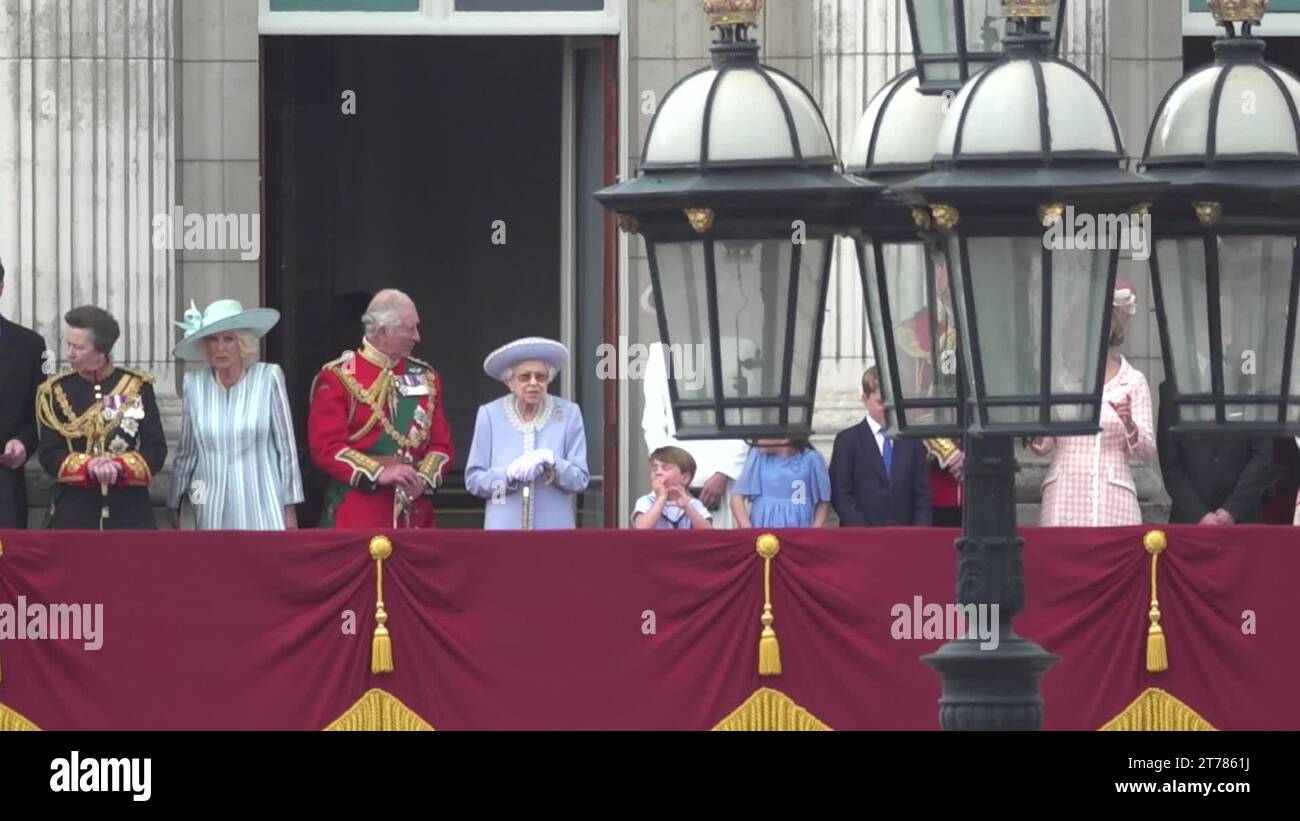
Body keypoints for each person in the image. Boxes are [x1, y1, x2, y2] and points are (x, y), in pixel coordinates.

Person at [307, 289, 454, 528]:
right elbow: (326, 447)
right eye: (410, 328)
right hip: (359, 510)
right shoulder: (339, 376)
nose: (417, 337)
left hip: (414, 513)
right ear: (383, 332)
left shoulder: (426, 376)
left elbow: (441, 445)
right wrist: (380, 473)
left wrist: (423, 480)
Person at [167, 299, 305, 530]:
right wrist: (174, 502)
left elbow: (286, 449)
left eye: (228, 339)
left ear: (243, 343)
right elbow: (188, 450)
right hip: (209, 507)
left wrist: (289, 507)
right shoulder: (194, 384)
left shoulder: (268, 377)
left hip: (263, 505)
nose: (220, 347)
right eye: (213, 339)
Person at [1031, 280, 1155, 526]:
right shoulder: (1058, 381)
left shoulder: (1132, 380)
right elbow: (1043, 446)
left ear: (1110, 330)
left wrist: (1128, 422)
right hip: (1063, 496)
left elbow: (1146, 451)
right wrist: (1032, 422)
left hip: (1112, 498)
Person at [36, 306, 167, 530]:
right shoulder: (56, 392)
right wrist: (88, 466)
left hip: (129, 510)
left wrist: (119, 466)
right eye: (69, 345)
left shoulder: (136, 387)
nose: (70, 354)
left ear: (101, 350)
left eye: (78, 347)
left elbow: (155, 448)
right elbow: (49, 452)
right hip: (74, 511)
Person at [640, 287, 750, 527]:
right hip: (677, 477)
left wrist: (725, 471)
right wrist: (668, 471)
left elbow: (746, 416)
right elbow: (653, 420)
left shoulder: (737, 349)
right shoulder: (659, 354)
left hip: (723, 476)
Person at [465, 337, 590, 529]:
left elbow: (579, 481)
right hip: (503, 530)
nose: (534, 383)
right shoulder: (490, 415)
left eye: (540, 376)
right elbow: (475, 482)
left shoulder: (568, 414)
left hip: (554, 531)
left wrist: (553, 461)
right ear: (510, 381)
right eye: (525, 377)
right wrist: (507, 475)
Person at [893, 250, 965, 526]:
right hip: (934, 477)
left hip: (987, 471)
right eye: (948, 265)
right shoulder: (913, 331)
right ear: (936, 270)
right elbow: (910, 404)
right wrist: (950, 452)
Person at [1156, 378, 1273, 525]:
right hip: (1188, 523)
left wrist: (1232, 509)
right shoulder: (1172, 387)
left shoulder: (1253, 384)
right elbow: (1169, 461)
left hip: (1243, 521)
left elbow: (1263, 457)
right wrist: (1199, 514)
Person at [830, 366, 932, 526]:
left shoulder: (912, 441)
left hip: (905, 538)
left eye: (891, 402)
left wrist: (918, 533)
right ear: (865, 399)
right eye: (880, 402)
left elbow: (923, 494)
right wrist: (866, 534)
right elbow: (841, 493)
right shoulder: (848, 441)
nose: (886, 408)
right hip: (862, 539)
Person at [0, 258, 48, 528]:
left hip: (5, 486)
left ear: (1, 287)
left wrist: (24, 442)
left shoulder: (31, 346)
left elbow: (41, 412)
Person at [731, 438, 832, 528]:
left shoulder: (812, 458)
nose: (755, 439)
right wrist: (747, 529)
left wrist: (815, 529)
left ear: (784, 438)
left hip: (801, 526)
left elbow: (824, 500)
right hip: (763, 526)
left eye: (761, 435)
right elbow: (737, 497)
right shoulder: (757, 456)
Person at [633, 445, 713, 530]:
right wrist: (661, 498)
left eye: (666, 468)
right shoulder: (647, 501)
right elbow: (641, 528)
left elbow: (708, 531)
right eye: (654, 469)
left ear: (685, 478)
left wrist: (687, 507)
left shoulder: (693, 504)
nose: (658, 472)